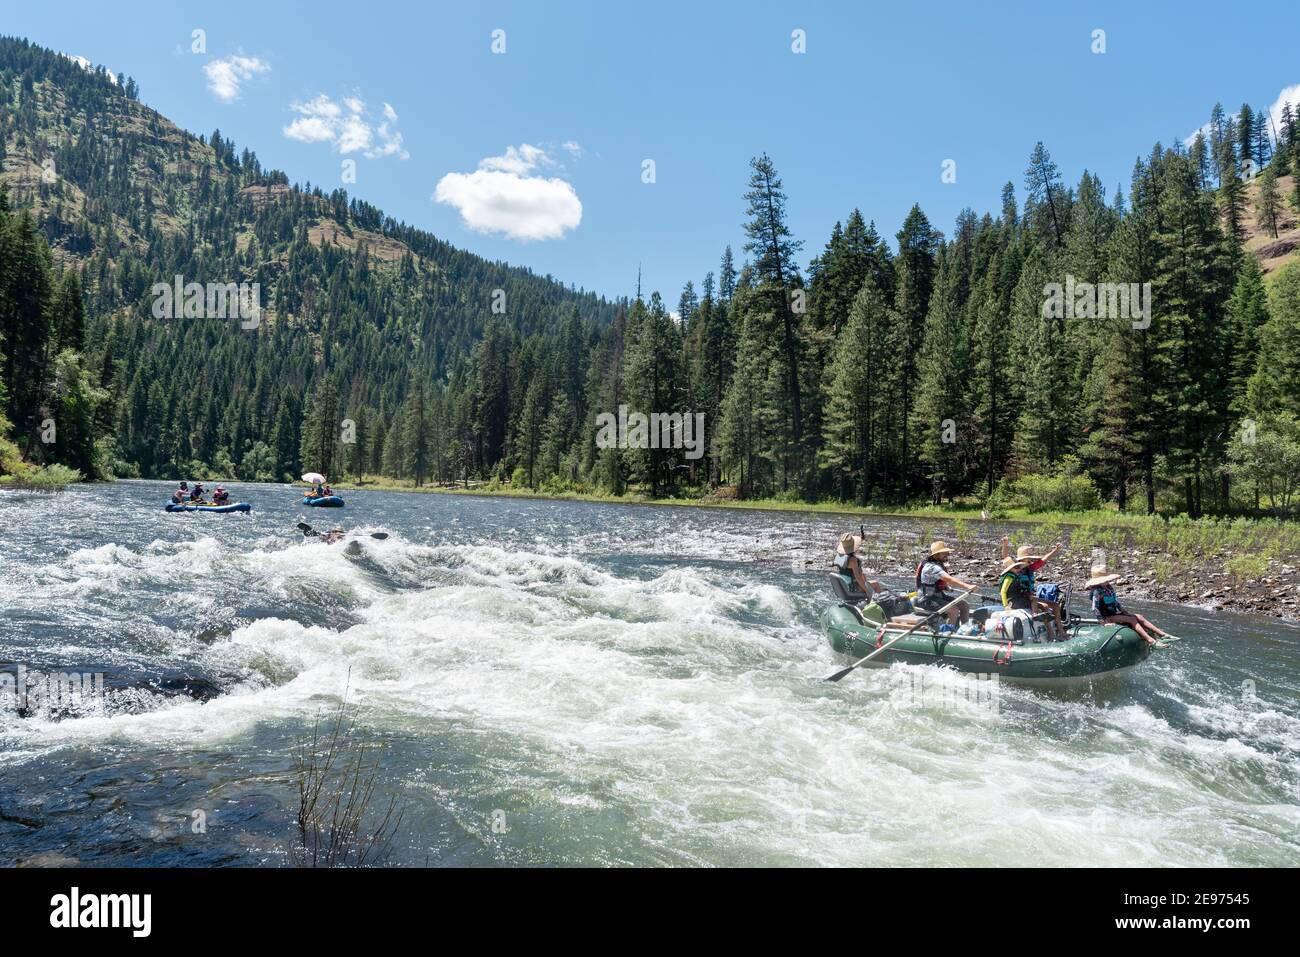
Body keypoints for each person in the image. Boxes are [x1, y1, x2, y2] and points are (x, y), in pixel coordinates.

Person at [1086, 563, 1169, 647]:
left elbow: (1115, 602)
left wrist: (1125, 612)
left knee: (1139, 617)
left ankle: (1163, 635)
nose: (1108, 581)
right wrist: (1103, 623)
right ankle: (1150, 640)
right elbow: (1094, 608)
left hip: (1113, 614)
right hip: (1107, 617)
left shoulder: (1108, 588)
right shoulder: (1097, 592)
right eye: (1105, 580)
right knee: (1132, 620)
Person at [1000, 539, 1065, 639]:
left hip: (1030, 596)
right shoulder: (1015, 570)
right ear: (1022, 560)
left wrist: (1055, 550)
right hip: (1023, 598)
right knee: (1044, 606)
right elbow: (1005, 558)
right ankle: (1050, 633)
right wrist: (1005, 545)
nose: (1031, 561)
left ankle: (1061, 631)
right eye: (1028, 559)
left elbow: (1044, 560)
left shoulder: (1030, 568)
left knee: (1056, 605)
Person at [914, 540, 979, 625]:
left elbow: (934, 582)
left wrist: (945, 587)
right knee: (953, 610)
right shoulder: (931, 567)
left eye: (947, 552)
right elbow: (949, 579)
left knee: (964, 605)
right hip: (927, 599)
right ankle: (948, 632)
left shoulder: (938, 564)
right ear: (936, 554)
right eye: (944, 553)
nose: (947, 555)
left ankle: (965, 629)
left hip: (939, 596)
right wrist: (968, 586)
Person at [833, 534, 882, 604]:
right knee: (876, 584)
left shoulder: (839, 556)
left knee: (866, 580)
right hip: (853, 588)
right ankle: (880, 605)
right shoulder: (853, 560)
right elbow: (858, 577)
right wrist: (867, 590)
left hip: (845, 586)